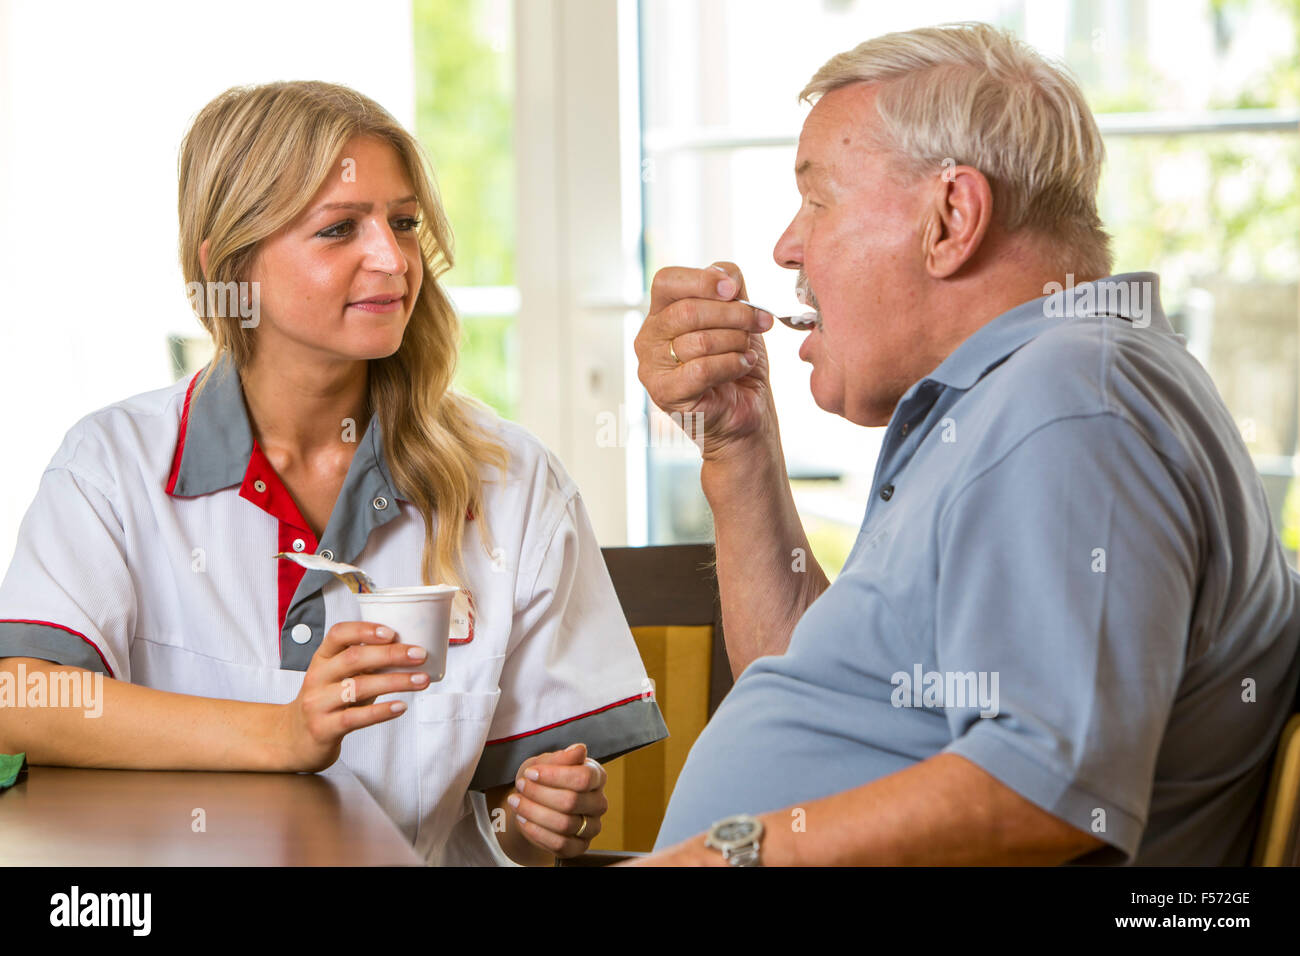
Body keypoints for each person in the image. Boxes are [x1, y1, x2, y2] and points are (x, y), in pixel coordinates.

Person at [631, 23, 1300, 865]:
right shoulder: (1020, 396)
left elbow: (1045, 788)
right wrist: (737, 446)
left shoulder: (1071, 401)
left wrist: (721, 854)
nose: (786, 247)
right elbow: (823, 688)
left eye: (818, 200)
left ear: (952, 218)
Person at [0, 80, 667, 866]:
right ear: (230, 267)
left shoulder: (517, 482)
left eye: (405, 223)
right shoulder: (112, 467)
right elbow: (21, 699)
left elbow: (515, 828)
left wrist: (536, 828)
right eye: (340, 228)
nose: (392, 258)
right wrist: (284, 734)